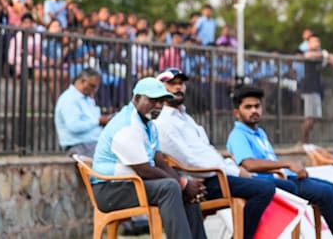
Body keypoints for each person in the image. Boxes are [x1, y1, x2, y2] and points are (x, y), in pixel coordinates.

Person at [226, 85, 333, 239]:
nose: (254, 110)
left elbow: (268, 160)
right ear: (236, 112)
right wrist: (287, 164)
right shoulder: (238, 135)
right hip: (270, 184)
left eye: (257, 106)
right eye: (248, 107)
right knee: (325, 192)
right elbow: (248, 164)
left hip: (287, 178)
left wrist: (292, 168)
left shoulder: (259, 132)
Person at [154, 68, 275, 239]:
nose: (177, 88)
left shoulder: (185, 118)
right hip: (204, 181)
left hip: (215, 174)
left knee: (279, 187)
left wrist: (231, 167)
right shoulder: (163, 122)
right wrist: (231, 170)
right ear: (160, 88)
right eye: (171, 84)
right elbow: (188, 160)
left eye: (180, 83)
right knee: (265, 189)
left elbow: (207, 151)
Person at [91, 77, 208, 239]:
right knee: (170, 187)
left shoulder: (149, 125)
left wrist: (185, 183)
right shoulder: (128, 126)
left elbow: (160, 162)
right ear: (137, 98)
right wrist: (181, 184)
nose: (158, 106)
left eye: (161, 102)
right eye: (153, 101)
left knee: (187, 191)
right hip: (110, 190)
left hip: (131, 184)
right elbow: (144, 169)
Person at [55, 68, 113, 157]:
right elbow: (74, 126)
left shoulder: (86, 99)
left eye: (96, 87)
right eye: (92, 86)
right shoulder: (69, 99)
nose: (94, 90)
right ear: (82, 81)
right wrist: (98, 121)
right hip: (80, 146)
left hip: (94, 143)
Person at [298, 34, 333, 144]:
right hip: (309, 89)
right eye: (314, 41)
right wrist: (325, 54)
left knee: (315, 117)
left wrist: (328, 56)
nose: (316, 43)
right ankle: (302, 141)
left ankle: (306, 141)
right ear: (309, 43)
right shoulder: (309, 53)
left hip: (317, 89)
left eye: (317, 41)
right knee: (309, 117)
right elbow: (308, 56)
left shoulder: (320, 56)